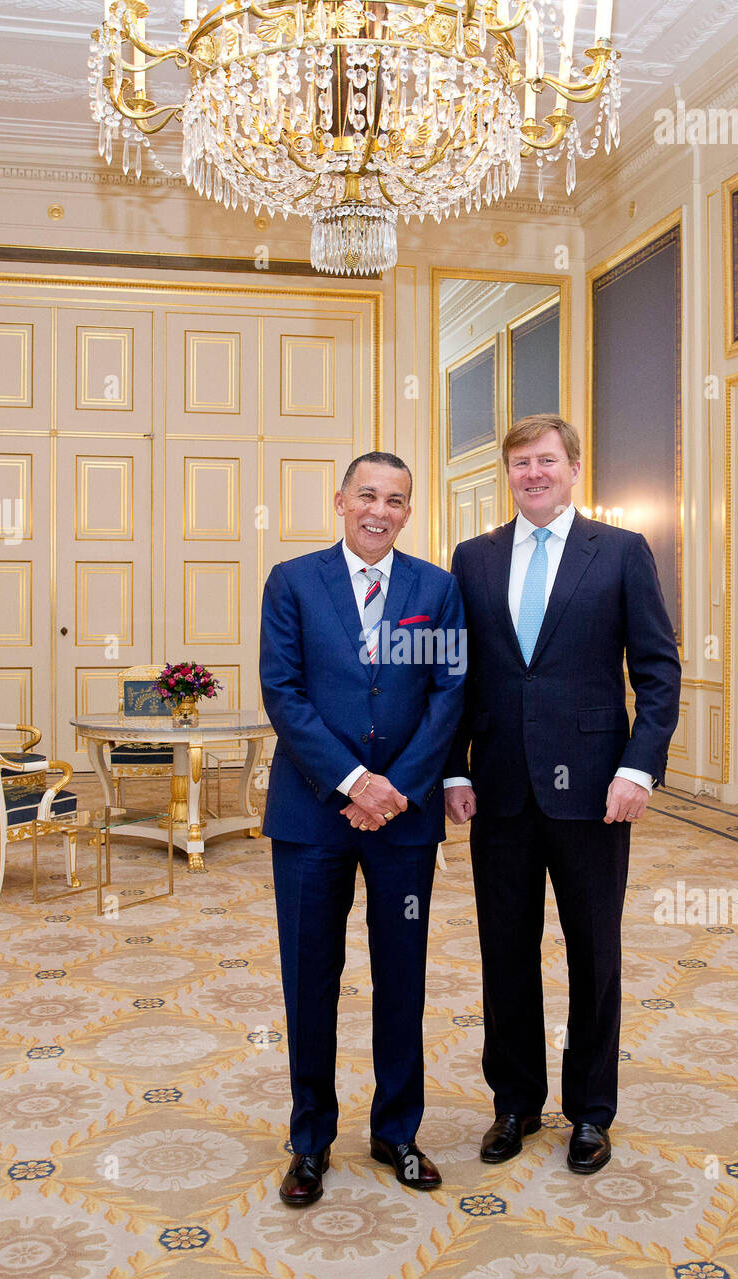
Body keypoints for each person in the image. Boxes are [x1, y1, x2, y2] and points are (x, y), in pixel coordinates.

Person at [444, 414, 681, 1175]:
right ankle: (513, 1103)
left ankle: (591, 1113)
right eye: (520, 463)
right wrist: (454, 768)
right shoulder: (472, 558)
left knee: (595, 956)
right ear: (507, 474)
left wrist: (639, 769)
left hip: (595, 792)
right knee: (504, 954)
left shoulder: (619, 552)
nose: (533, 473)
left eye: (547, 460)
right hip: (501, 791)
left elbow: (658, 670)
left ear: (575, 468)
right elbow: (456, 675)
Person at [260, 451, 467, 1205]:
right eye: (368, 495)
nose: (381, 510)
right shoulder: (293, 582)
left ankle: (396, 1133)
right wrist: (353, 784)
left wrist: (395, 791)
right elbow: (282, 691)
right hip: (312, 814)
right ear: (341, 499)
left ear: (410, 511)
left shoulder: (435, 589)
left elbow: (449, 695)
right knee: (310, 978)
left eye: (397, 500)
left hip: (403, 822)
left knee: (401, 975)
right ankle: (309, 1141)